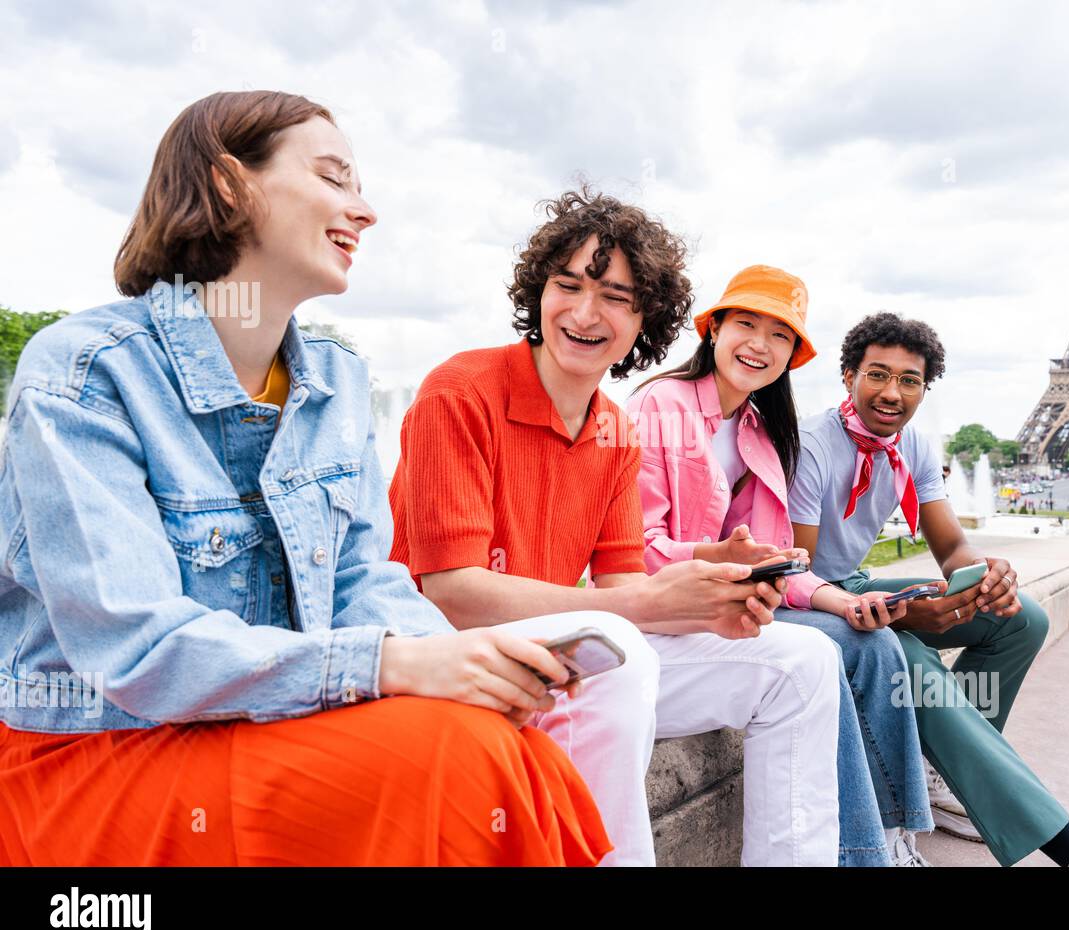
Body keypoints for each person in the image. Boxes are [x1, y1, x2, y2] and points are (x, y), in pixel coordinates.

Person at [0, 92, 612, 866]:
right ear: (229, 185)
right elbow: (135, 648)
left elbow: (368, 582)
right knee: (463, 760)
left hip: (259, 724)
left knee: (508, 741)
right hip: (100, 750)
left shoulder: (335, 379)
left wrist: (472, 664)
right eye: (334, 177)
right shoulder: (85, 373)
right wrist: (390, 661)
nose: (365, 210)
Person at [387, 190, 843, 867]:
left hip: (553, 655)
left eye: (615, 297)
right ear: (538, 294)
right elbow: (451, 592)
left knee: (802, 660)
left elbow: (624, 579)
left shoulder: (616, 430)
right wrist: (648, 604)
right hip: (450, 656)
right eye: (566, 285)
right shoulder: (459, 392)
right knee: (619, 658)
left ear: (646, 320)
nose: (584, 312)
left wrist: (711, 603)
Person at [787, 311, 1069, 867]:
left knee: (1022, 618)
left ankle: (934, 774)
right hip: (807, 597)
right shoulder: (813, 445)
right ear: (847, 376)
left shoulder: (915, 445)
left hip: (851, 583)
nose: (892, 392)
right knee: (912, 656)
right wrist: (905, 617)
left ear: (925, 389)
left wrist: (987, 573)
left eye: (909, 380)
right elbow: (801, 569)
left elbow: (951, 549)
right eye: (877, 374)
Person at [627, 265, 932, 867]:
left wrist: (840, 599)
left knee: (873, 645)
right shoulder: (659, 405)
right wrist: (719, 560)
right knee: (821, 660)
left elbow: (779, 562)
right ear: (713, 329)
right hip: (670, 614)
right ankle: (859, 854)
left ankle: (897, 836)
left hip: (736, 607)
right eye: (746, 324)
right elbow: (635, 550)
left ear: (793, 355)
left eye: (781, 336)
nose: (760, 345)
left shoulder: (762, 433)